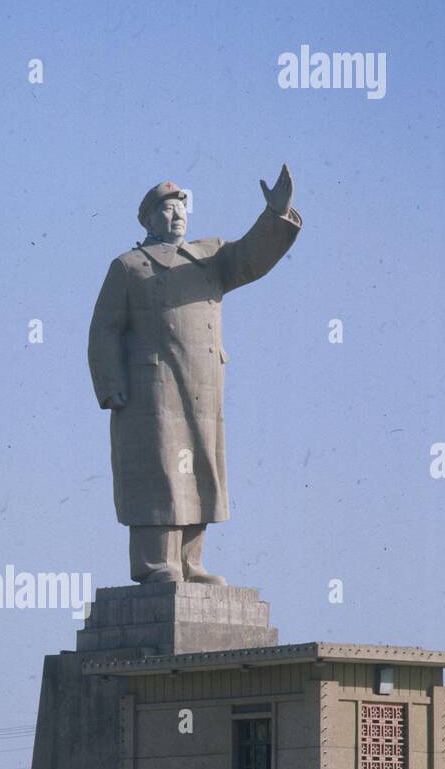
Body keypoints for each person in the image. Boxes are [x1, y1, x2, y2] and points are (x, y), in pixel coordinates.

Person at [88, 173, 302, 585]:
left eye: (182, 207)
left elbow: (251, 258)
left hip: (203, 385)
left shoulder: (210, 257)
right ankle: (155, 565)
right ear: (148, 219)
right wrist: (109, 382)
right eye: (167, 208)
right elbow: (104, 328)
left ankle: (190, 562)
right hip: (152, 387)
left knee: (200, 468)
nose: (177, 215)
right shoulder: (130, 266)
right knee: (159, 469)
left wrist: (275, 213)